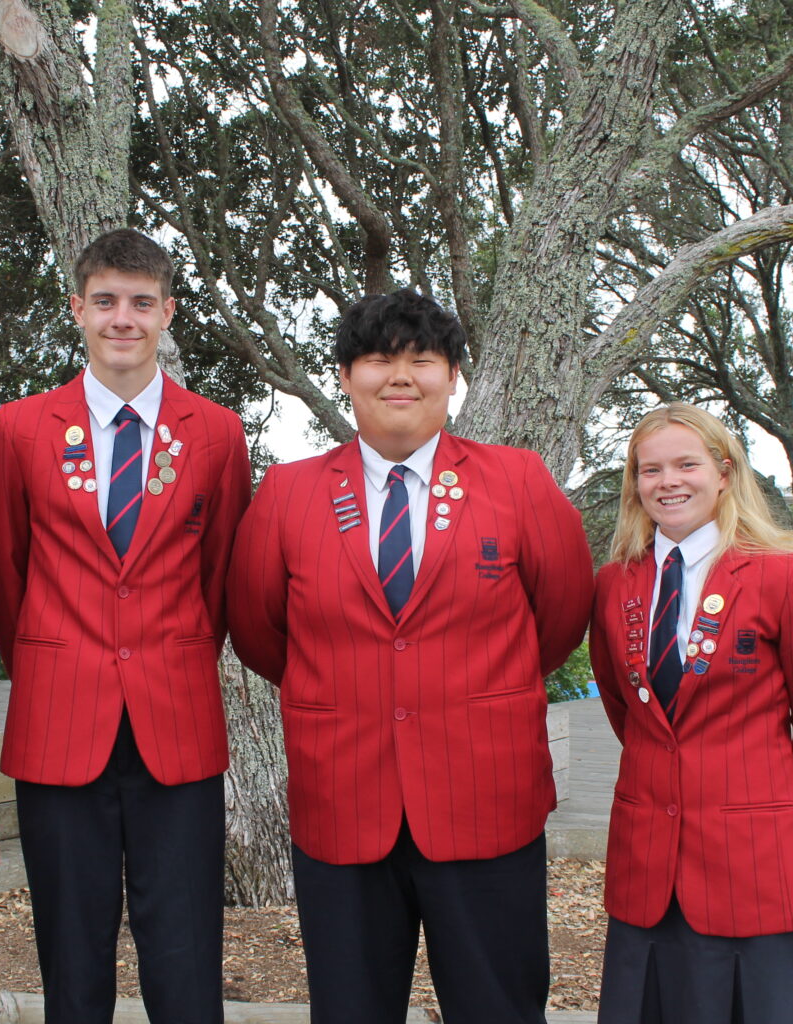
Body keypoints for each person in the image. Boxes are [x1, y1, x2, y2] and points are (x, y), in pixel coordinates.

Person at [228, 288, 594, 1024]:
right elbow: (260, 632)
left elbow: (558, 622)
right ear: (344, 376)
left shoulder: (518, 482)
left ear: (453, 376)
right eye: (378, 359)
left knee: (499, 1008)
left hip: (486, 798)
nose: (401, 376)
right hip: (344, 803)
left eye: (422, 359)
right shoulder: (288, 492)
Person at [0, 229, 251, 1024]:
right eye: (105, 301)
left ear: (167, 311)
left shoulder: (217, 433)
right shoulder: (21, 428)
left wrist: (173, 651)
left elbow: (222, 578)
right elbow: (6, 576)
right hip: (61, 721)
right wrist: (59, 657)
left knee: (186, 945)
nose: (121, 318)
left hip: (177, 718)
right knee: (71, 945)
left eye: (140, 302)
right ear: (77, 309)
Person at [589, 403, 793, 1024]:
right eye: (649, 469)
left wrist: (781, 820)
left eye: (687, 463)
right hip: (645, 860)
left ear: (725, 471)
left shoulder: (784, 577)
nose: (668, 481)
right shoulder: (613, 585)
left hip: (753, 861)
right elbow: (629, 714)